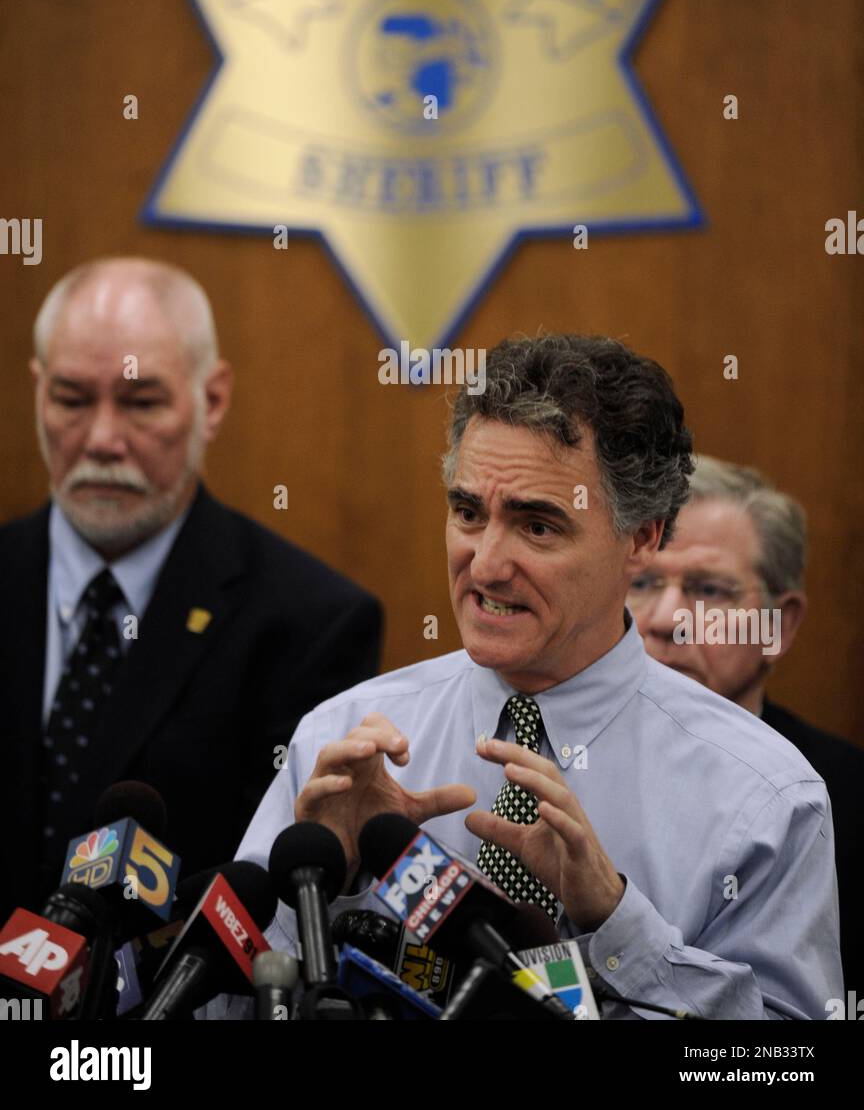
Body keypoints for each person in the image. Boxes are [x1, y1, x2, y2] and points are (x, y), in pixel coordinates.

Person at [205, 335, 841, 1020]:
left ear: (642, 538)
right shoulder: (339, 740)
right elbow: (221, 1007)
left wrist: (615, 920)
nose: (484, 566)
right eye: (468, 513)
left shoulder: (766, 797)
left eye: (537, 526)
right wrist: (323, 886)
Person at [0, 257, 381, 919]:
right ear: (37, 393)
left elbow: (274, 900)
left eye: (142, 402)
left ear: (212, 400)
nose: (102, 440)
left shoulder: (310, 625)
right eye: (71, 400)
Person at [630, 453, 863, 991]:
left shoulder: (846, 798)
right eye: (642, 583)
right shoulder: (558, 757)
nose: (666, 620)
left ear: (778, 625)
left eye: (708, 590)